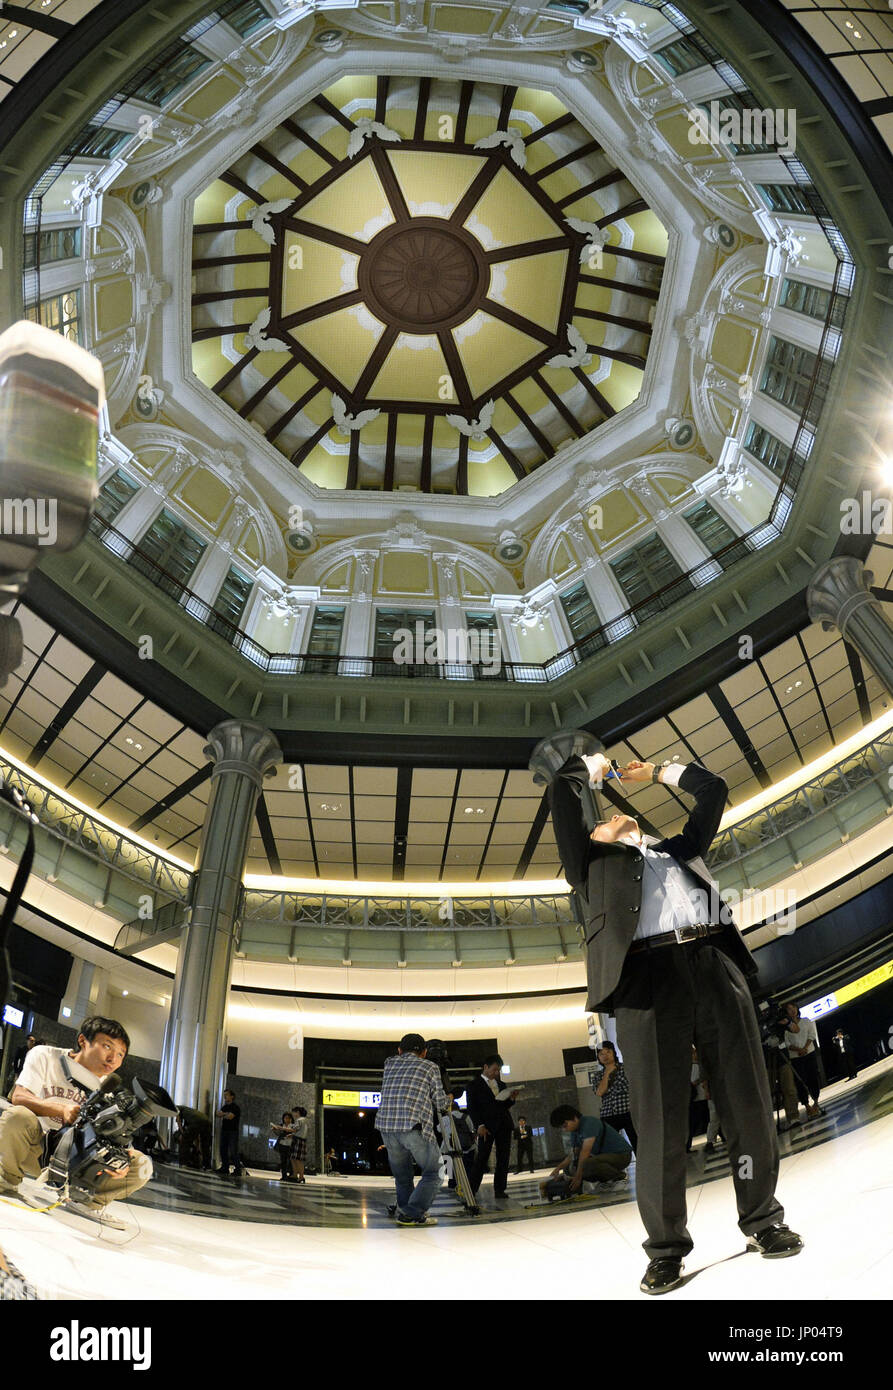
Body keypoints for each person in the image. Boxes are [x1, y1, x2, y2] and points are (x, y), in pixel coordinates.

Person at [532, 732, 802, 1295]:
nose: (618, 820)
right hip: (645, 981)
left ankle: (763, 1221)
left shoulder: (680, 849)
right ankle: (666, 1250)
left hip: (711, 962)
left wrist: (654, 773)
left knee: (747, 1100)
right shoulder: (590, 866)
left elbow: (714, 789)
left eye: (626, 818)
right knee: (659, 1119)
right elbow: (561, 794)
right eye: (607, 821)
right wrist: (590, 766)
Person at [0, 1015, 152, 1223]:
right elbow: (19, 1096)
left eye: (120, 1054)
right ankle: (6, 1182)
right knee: (17, 1115)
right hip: (34, 1147)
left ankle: (87, 1202)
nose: (113, 1059)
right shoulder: (45, 1055)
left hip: (77, 1160)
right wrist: (60, 1109)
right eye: (107, 1047)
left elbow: (114, 1135)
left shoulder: (109, 1087)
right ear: (83, 1041)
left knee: (141, 1165)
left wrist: (123, 1158)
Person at [377, 1032, 450, 1227]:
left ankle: (405, 1212)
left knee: (402, 1176)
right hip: (413, 1126)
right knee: (435, 1172)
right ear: (424, 1052)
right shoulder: (430, 1066)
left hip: (387, 1128)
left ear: (399, 1050)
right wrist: (448, 1099)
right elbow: (440, 1102)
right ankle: (412, 1212)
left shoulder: (389, 1063)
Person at [547, 1105, 632, 1193]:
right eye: (562, 1128)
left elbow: (585, 1152)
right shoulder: (575, 1131)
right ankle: (605, 1181)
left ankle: (619, 1178)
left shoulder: (589, 1124)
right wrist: (558, 1169)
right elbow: (573, 1154)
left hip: (622, 1155)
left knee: (587, 1164)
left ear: (574, 1118)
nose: (564, 1129)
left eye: (565, 1125)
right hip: (604, 1157)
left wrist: (578, 1177)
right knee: (570, 1168)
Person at [467, 1053, 518, 1200]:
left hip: (504, 1125)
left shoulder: (501, 1085)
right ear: (485, 1067)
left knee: (504, 1158)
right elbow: (472, 1108)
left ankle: (500, 1190)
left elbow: (503, 1105)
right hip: (486, 1128)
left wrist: (512, 1099)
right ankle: (472, 1189)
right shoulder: (473, 1085)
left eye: (498, 1071)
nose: (496, 1073)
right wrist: (479, 1125)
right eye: (494, 1070)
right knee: (482, 1158)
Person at [593, 1041, 638, 1153]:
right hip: (608, 1113)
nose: (605, 1056)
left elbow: (629, 1086)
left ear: (614, 1053)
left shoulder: (625, 1069)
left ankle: (645, 1168)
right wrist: (607, 1073)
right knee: (608, 1144)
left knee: (636, 1141)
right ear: (598, 1057)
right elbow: (599, 1092)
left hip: (628, 1111)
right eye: (601, 1054)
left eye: (608, 1052)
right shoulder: (598, 1075)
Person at [782, 1004, 824, 1118]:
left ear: (797, 1009)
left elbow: (812, 1035)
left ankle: (816, 1102)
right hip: (796, 1057)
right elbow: (787, 1044)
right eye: (789, 1010)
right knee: (800, 1081)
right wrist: (799, 1050)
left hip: (809, 1053)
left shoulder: (806, 1021)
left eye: (793, 1008)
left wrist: (805, 1048)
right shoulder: (786, 1028)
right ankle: (807, 1106)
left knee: (813, 1077)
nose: (792, 1011)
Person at [177, 1105, 213, 1169]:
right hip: (207, 1121)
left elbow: (179, 1122)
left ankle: (183, 1163)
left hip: (196, 1122)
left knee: (185, 1142)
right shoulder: (190, 1111)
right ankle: (207, 1166)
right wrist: (197, 1146)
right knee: (205, 1145)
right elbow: (196, 1135)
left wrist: (182, 1133)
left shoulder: (177, 1108)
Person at [215, 1089, 241, 1176]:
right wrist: (225, 1114)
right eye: (224, 1095)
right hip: (224, 1130)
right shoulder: (225, 1107)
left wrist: (223, 1114)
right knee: (223, 1149)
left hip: (233, 1131)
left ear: (232, 1096)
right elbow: (218, 1114)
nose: (225, 1096)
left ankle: (238, 1170)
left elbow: (230, 1117)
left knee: (233, 1151)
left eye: (227, 1095)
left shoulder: (235, 1107)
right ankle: (225, 1168)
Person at [271, 1112, 295, 1180]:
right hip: (282, 1144)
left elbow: (296, 1134)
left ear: (291, 1119)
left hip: (290, 1145)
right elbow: (278, 1134)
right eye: (285, 1118)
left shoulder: (293, 1126)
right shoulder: (281, 1125)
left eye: (289, 1118)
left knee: (290, 1161)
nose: (287, 1119)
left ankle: (291, 1175)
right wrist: (274, 1130)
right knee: (283, 1161)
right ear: (283, 1119)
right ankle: (284, 1175)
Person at [290, 1106, 308, 1184]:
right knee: (294, 1158)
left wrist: (281, 1128)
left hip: (298, 1141)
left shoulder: (300, 1120)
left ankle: (301, 1176)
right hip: (300, 1140)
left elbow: (294, 1129)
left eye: (294, 1112)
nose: (293, 1114)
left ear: (298, 1112)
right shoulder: (304, 1120)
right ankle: (295, 1175)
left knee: (297, 1159)